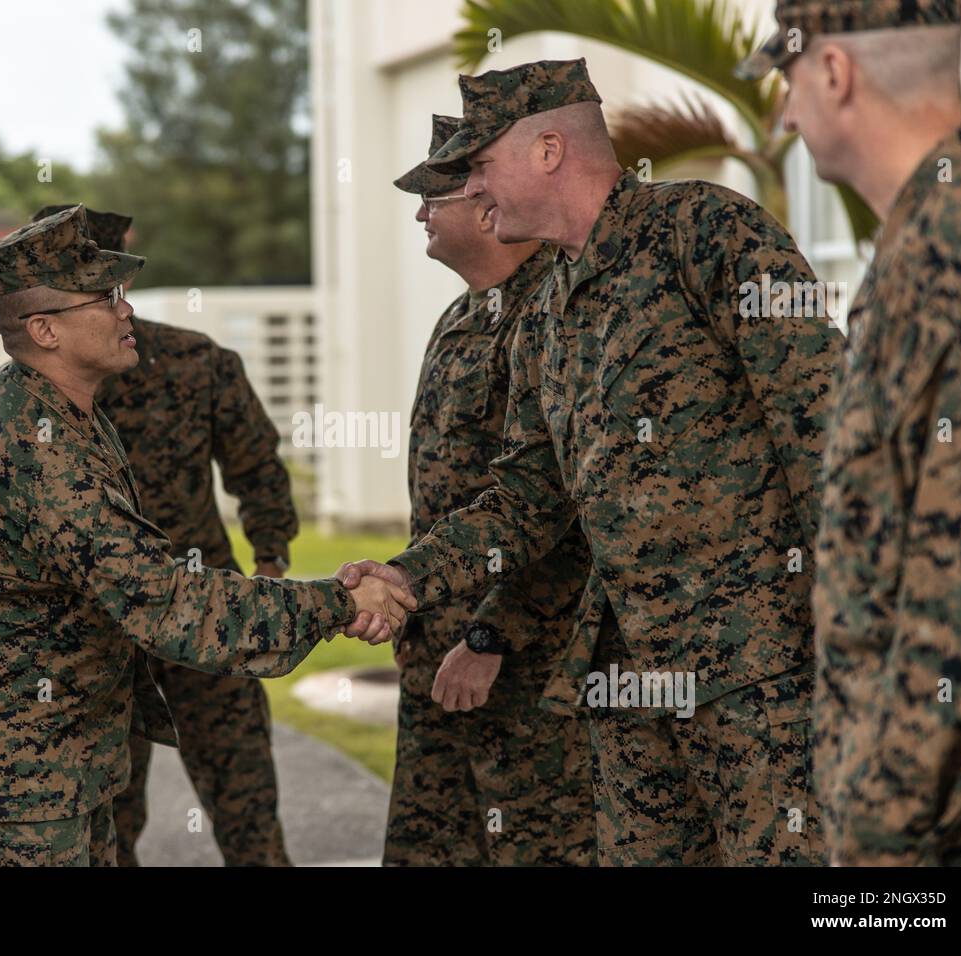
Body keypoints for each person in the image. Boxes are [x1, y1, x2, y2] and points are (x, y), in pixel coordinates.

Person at [341, 58, 839, 865]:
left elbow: (825, 426)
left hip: (759, 669)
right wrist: (407, 577)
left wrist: (861, 624)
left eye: (480, 164)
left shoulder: (705, 230)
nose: (471, 187)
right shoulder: (544, 311)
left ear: (549, 150)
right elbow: (526, 499)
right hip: (623, 678)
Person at [0, 205, 412, 866]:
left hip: (47, 763)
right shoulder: (34, 444)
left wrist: (279, 563)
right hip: (8, 787)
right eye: (104, 298)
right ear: (45, 329)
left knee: (240, 800)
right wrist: (339, 602)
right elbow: (163, 602)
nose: (126, 309)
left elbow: (243, 485)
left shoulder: (48, 406)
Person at [739, 0, 961, 865]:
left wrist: (877, 848)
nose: (785, 114)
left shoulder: (953, 258)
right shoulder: (931, 238)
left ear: (835, 72)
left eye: (789, 81)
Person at [380, 115, 594, 865]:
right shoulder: (462, 316)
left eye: (432, 198)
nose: (420, 215)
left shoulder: (555, 313)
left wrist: (491, 634)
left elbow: (569, 506)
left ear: (481, 206)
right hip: (437, 651)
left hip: (522, 665)